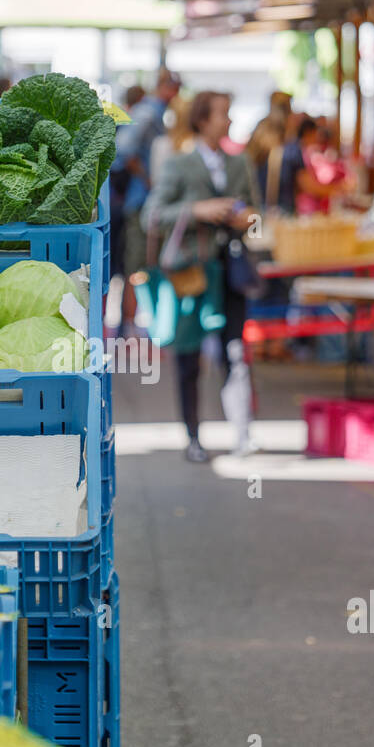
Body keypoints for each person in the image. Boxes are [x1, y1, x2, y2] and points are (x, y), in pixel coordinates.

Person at [141, 90, 258, 462]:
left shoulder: (240, 164)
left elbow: (256, 212)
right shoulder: (179, 164)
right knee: (188, 355)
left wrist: (247, 218)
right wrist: (198, 210)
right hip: (191, 272)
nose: (229, 121)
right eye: (223, 114)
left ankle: (242, 434)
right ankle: (193, 437)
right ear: (203, 120)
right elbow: (151, 216)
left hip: (231, 268)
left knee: (235, 351)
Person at [110, 69, 182, 329]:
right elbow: (122, 150)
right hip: (139, 205)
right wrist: (147, 178)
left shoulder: (153, 112)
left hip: (144, 204)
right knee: (137, 267)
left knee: (141, 266)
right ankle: (130, 330)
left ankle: (134, 329)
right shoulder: (148, 112)